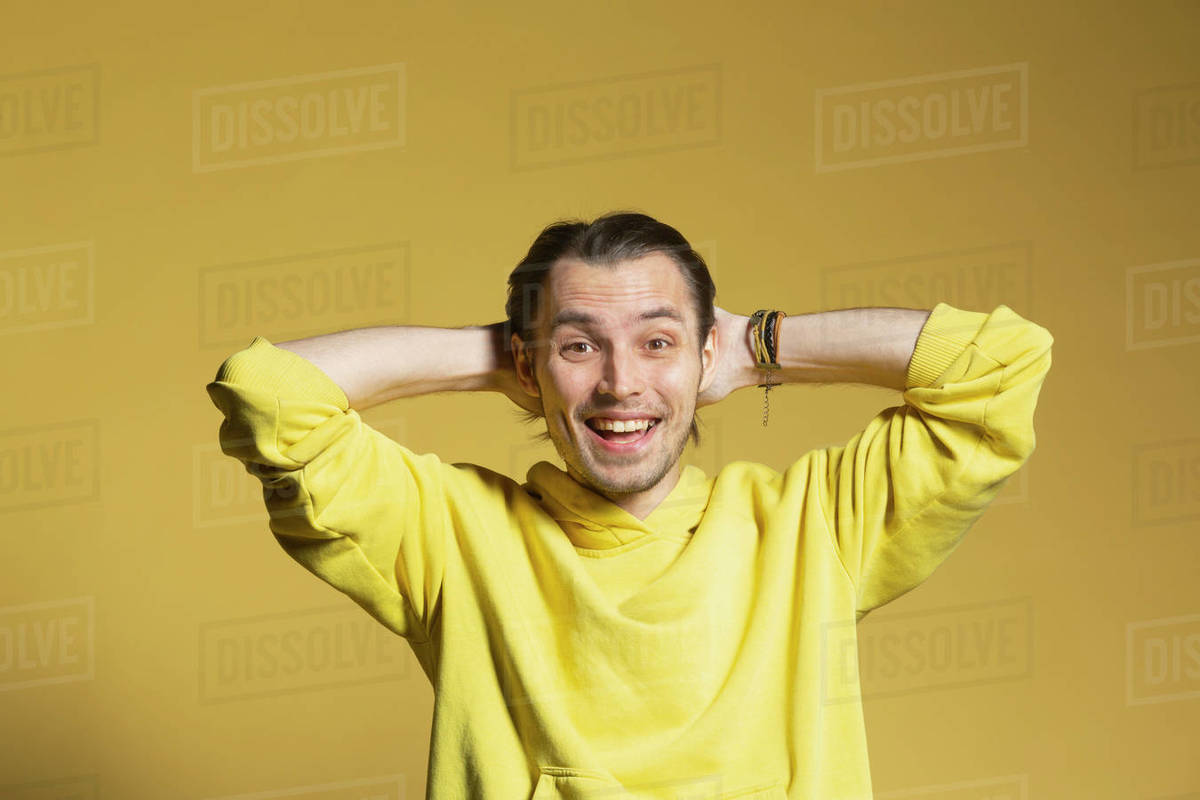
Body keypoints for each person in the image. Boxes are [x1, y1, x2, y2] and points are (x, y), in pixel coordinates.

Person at [205, 211, 1054, 799]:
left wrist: (755, 344)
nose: (622, 383)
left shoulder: (815, 524)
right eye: (583, 347)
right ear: (529, 368)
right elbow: (270, 395)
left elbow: (1001, 367)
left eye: (657, 342)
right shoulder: (454, 536)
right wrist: (505, 354)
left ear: (705, 357)